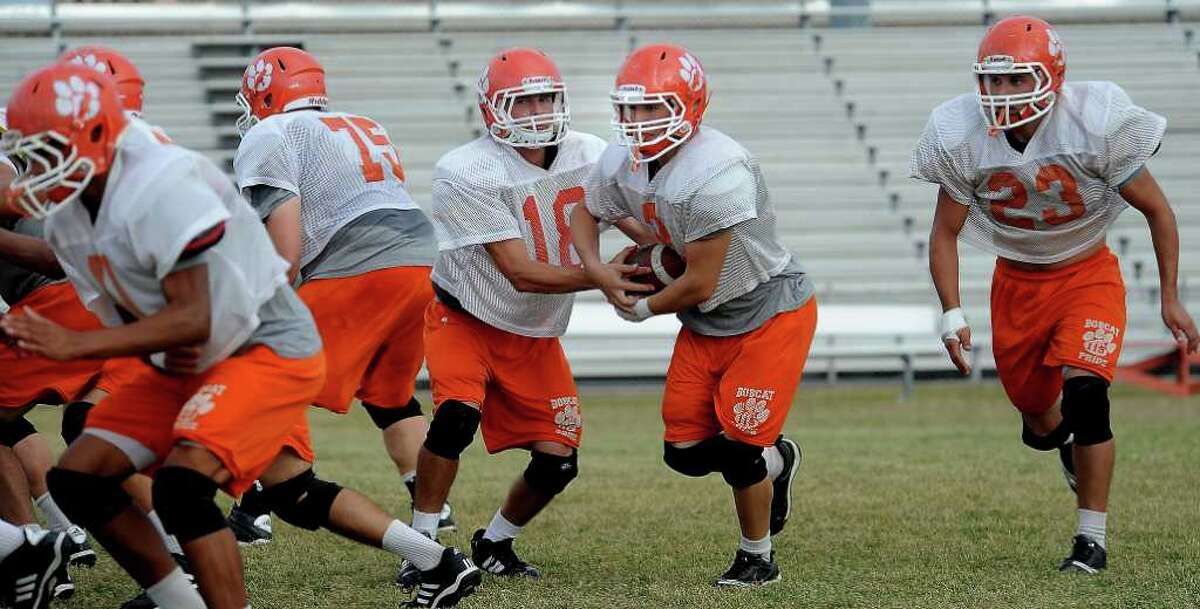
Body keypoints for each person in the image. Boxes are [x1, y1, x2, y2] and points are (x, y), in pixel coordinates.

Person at [911, 15, 1199, 573]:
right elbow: (943, 232)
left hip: (1086, 273)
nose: (1001, 94)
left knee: (1089, 397)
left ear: (1051, 76)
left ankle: (1091, 540)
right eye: (993, 81)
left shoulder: (1094, 121)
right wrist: (951, 310)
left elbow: (1158, 210)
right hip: (1016, 282)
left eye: (1017, 79)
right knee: (1040, 422)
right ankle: (1066, 447)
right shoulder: (960, 133)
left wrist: (1170, 297)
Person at [571, 43, 813, 587]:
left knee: (740, 447)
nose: (637, 122)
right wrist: (597, 271)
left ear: (690, 106)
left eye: (653, 108)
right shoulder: (620, 160)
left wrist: (640, 309)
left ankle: (758, 557)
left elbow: (701, 277)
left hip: (766, 309)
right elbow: (585, 211)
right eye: (630, 109)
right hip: (706, 320)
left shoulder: (717, 170)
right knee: (682, 453)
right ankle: (780, 462)